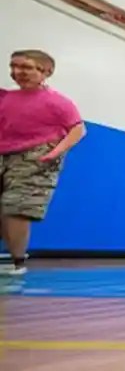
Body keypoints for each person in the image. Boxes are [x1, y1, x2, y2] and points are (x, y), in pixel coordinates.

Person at [0, 50, 86, 275]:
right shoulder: (6, 97)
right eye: (14, 67)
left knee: (16, 208)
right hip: (5, 154)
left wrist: (55, 153)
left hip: (35, 156)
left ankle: (18, 262)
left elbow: (78, 129)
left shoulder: (58, 102)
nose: (18, 72)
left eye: (26, 67)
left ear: (45, 72)